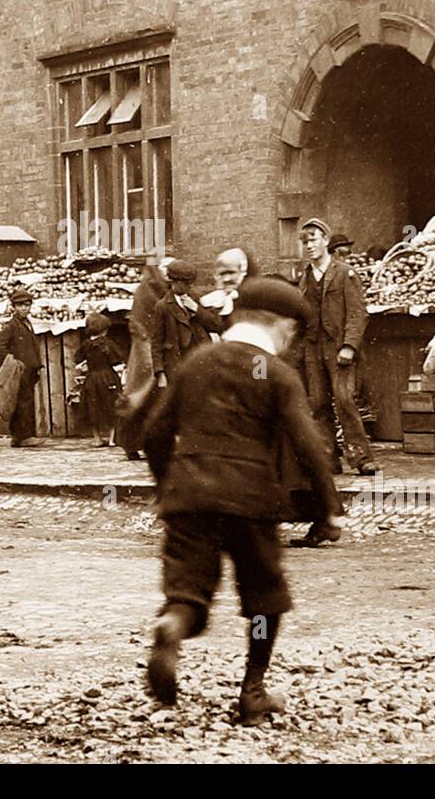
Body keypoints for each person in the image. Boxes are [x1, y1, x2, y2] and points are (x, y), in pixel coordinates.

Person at [141, 276, 345, 725]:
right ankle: (252, 691)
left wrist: (169, 485)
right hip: (250, 504)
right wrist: (328, 507)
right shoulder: (273, 373)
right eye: (291, 333)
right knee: (262, 601)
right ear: (283, 327)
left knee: (188, 592)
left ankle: (171, 628)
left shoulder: (197, 362)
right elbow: (309, 445)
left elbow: (153, 433)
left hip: (189, 499)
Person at [296, 218, 380, 476]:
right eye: (305, 241)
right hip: (312, 347)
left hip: (337, 348)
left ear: (325, 241)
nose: (309, 246)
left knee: (344, 400)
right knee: (318, 403)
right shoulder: (304, 277)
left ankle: (361, 457)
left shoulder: (344, 273)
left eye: (313, 240)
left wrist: (349, 346)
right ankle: (329, 458)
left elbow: (358, 313)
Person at [119, 257, 172, 460]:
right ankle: (132, 443)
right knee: (141, 392)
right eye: (165, 268)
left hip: (153, 348)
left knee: (150, 397)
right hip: (146, 349)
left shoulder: (158, 289)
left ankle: (141, 443)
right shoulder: (148, 290)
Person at [151, 260, 223, 386]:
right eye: (186, 283)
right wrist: (160, 373)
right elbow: (157, 342)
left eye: (191, 282)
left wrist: (196, 309)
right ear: (174, 282)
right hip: (178, 362)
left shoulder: (197, 298)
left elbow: (216, 325)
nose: (190, 286)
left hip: (200, 358)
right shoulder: (162, 306)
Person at [0, 287, 42, 447]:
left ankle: (20, 436)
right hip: (19, 371)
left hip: (29, 370)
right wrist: (13, 365)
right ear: (14, 307)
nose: (24, 308)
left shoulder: (26, 324)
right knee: (23, 403)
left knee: (25, 402)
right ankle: (23, 436)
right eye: (20, 305)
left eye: (27, 305)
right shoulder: (11, 326)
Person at [75, 311, 125, 447]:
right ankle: (111, 439)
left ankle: (97, 438)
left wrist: (87, 366)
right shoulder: (108, 344)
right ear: (104, 330)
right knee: (111, 406)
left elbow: (79, 363)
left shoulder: (85, 345)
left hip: (92, 379)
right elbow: (118, 364)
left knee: (93, 408)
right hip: (108, 378)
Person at [201, 248, 259, 322]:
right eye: (222, 274)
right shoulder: (211, 302)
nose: (226, 279)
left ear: (244, 273)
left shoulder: (257, 303)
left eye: (231, 273)